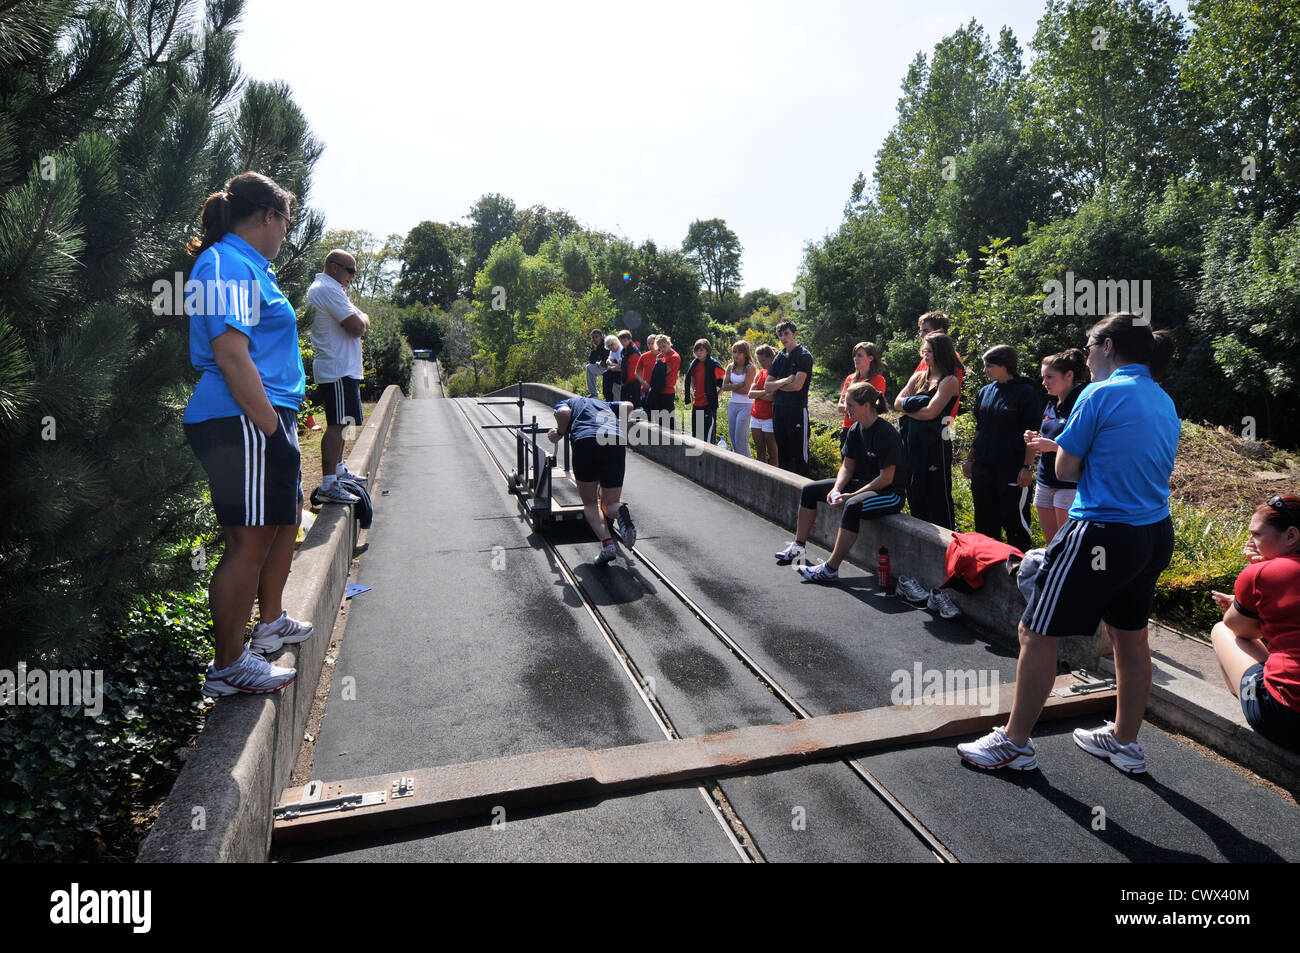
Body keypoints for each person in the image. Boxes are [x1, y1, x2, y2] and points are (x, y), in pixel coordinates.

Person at [958, 313, 1178, 774]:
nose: (1087, 353)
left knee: (1035, 632)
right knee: (1130, 638)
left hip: (1102, 530)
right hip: (1154, 532)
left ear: (1109, 347)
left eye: (1091, 345)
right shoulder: (1162, 398)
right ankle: (1124, 741)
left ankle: (1015, 743)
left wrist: (1072, 453)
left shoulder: (1101, 393)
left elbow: (1065, 470)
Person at [181, 172, 311, 697]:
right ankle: (230, 664)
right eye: (286, 223)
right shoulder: (225, 264)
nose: (287, 235)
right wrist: (270, 432)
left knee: (280, 525)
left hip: (264, 415)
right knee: (248, 542)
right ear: (266, 216)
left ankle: (269, 623)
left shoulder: (251, 267)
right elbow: (232, 356)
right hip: (242, 419)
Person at [773, 383, 907, 583]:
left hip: (888, 493)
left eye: (850, 405)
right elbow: (847, 467)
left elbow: (886, 478)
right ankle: (798, 546)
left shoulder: (886, 434)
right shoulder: (855, 429)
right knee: (810, 490)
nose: (846, 408)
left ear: (866, 406)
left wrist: (851, 495)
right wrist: (836, 489)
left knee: (853, 506)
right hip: (862, 484)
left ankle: (830, 569)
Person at [1210, 495, 1300, 753]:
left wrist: (1248, 590)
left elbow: (1242, 629)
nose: (1250, 543)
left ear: (1291, 536)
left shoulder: (1260, 573)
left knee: (1221, 631)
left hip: (1285, 716)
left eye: (1257, 535)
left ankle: (1247, 700)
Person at [961, 345, 1044, 553]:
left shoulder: (1026, 392)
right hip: (984, 467)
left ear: (1005, 365)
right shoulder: (984, 392)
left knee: (1013, 521)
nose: (985, 370)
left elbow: (1032, 433)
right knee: (984, 521)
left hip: (1012, 468)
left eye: (989, 366)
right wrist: (970, 460)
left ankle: (1019, 570)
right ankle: (986, 569)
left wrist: (1028, 466)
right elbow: (980, 429)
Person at [307, 249, 369, 504]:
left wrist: (362, 318)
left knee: (344, 423)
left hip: (343, 368)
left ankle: (339, 471)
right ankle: (328, 484)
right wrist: (363, 319)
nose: (352, 277)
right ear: (333, 267)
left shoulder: (334, 290)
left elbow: (362, 319)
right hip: (337, 369)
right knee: (337, 424)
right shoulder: (326, 289)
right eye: (349, 270)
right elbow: (357, 326)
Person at [548, 397, 637, 565]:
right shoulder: (606, 404)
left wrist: (559, 433)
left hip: (586, 441)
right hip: (614, 440)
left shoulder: (568, 402)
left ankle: (607, 545)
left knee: (590, 504)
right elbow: (628, 406)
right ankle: (620, 511)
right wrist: (621, 430)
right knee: (610, 505)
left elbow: (563, 413)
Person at [895, 333, 961, 530]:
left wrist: (909, 409)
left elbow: (932, 413)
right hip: (912, 442)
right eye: (924, 351)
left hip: (936, 444)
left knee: (937, 495)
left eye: (929, 351)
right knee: (915, 491)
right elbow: (896, 403)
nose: (925, 355)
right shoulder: (918, 377)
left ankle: (945, 544)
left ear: (941, 353)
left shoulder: (949, 380)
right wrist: (915, 405)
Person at [1024, 349, 1089, 544]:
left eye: (1050, 377)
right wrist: (1035, 438)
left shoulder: (1083, 403)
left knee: (1067, 544)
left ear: (1069, 376)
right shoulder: (1052, 402)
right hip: (1045, 480)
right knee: (1052, 545)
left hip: (1069, 484)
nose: (1044, 383)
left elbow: (1087, 447)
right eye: (1044, 377)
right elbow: (1051, 433)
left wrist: (1052, 446)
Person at [764, 321, 814, 475]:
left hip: (796, 410)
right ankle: (786, 492)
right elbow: (767, 386)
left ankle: (804, 493)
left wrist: (777, 385)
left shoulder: (804, 356)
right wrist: (785, 381)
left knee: (799, 455)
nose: (783, 337)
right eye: (780, 335)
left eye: (786, 333)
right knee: (783, 453)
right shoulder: (779, 356)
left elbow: (797, 386)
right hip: (778, 408)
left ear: (795, 334)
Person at [911, 311, 966, 416]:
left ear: (940, 332)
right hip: (925, 419)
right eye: (921, 331)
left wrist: (907, 409)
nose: (921, 335)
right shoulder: (927, 357)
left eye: (926, 331)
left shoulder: (950, 356)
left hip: (944, 421)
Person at [837, 342, 887, 445]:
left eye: (860, 355)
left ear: (870, 358)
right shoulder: (849, 379)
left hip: (866, 430)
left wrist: (849, 406)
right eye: (855, 355)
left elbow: (874, 408)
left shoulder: (878, 380)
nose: (855, 358)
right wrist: (857, 406)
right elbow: (839, 407)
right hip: (847, 429)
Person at [684, 338, 726, 444]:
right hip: (696, 403)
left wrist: (718, 394)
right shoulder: (695, 363)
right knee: (696, 436)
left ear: (707, 350)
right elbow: (692, 377)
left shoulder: (713, 364)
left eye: (701, 350)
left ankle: (707, 460)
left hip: (709, 404)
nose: (698, 352)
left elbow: (726, 381)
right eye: (697, 350)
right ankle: (698, 460)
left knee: (707, 438)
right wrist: (693, 388)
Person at [722, 340, 756, 456]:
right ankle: (737, 466)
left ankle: (747, 467)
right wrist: (737, 385)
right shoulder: (730, 367)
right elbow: (724, 387)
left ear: (745, 354)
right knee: (733, 439)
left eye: (739, 352)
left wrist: (732, 386)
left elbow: (746, 390)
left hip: (746, 405)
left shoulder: (750, 368)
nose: (736, 355)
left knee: (741, 439)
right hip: (733, 404)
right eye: (734, 352)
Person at [748, 344, 779, 467]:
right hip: (755, 416)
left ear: (771, 358)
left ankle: (774, 480)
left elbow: (772, 397)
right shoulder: (760, 373)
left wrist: (758, 394)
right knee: (760, 451)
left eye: (764, 360)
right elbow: (750, 394)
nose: (761, 363)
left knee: (773, 454)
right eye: (759, 360)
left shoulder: (776, 374)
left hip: (770, 418)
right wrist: (764, 392)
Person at [648, 334, 681, 431]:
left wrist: (658, 361)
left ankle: (672, 444)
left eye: (664, 346)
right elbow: (656, 373)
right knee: (659, 421)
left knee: (669, 421)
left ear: (669, 343)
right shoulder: (663, 356)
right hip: (659, 390)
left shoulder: (674, 356)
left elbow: (663, 371)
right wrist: (658, 360)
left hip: (668, 391)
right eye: (660, 348)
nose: (662, 349)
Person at [617, 330, 642, 409]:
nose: (623, 343)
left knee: (633, 402)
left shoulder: (633, 352)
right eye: (621, 341)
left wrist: (626, 382)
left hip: (633, 381)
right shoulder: (625, 350)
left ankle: (637, 418)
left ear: (629, 340)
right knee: (625, 402)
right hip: (626, 380)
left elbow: (635, 369)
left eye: (625, 341)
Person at [584, 329, 608, 398]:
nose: (595, 339)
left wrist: (605, 362)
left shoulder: (607, 342)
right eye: (593, 337)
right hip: (603, 366)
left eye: (596, 337)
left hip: (612, 366)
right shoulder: (594, 344)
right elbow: (591, 361)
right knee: (589, 367)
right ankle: (594, 393)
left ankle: (608, 397)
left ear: (601, 336)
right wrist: (594, 349)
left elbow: (613, 355)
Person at [601, 333, 624, 402]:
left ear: (616, 342)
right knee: (606, 374)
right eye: (609, 346)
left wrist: (611, 367)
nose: (611, 347)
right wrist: (613, 365)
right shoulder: (612, 351)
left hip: (624, 373)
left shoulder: (621, 350)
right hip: (616, 371)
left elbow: (620, 368)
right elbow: (608, 361)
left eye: (612, 344)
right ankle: (607, 397)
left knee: (607, 374)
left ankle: (609, 398)